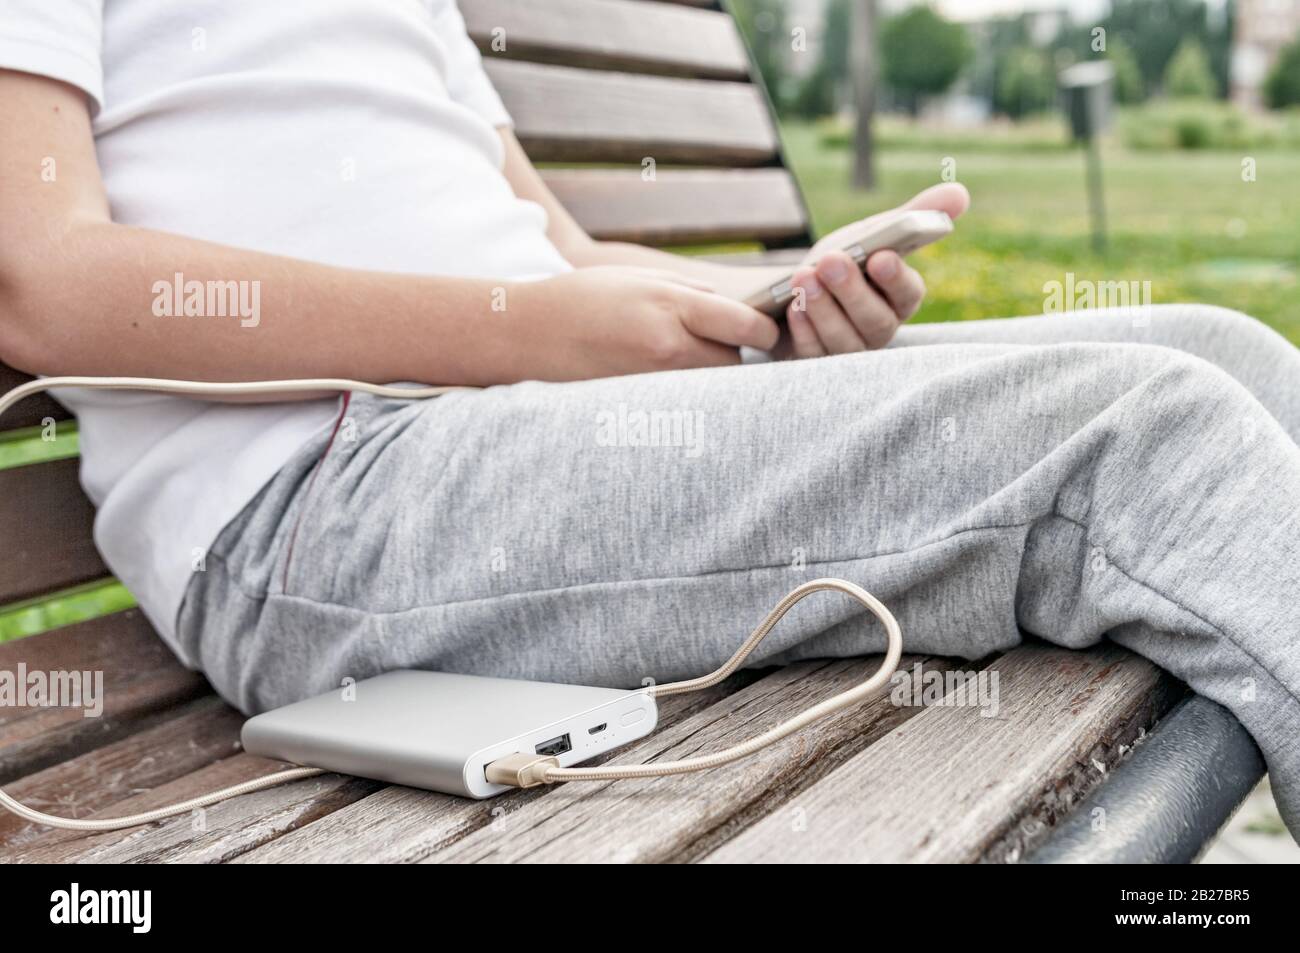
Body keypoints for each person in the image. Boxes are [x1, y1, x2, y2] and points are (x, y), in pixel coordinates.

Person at [1, 1, 1298, 837]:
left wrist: (762, 302)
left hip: (539, 418)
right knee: (1147, 438)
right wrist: (538, 329)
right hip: (322, 504)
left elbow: (558, 251)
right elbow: (37, 280)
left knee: (1220, 352)